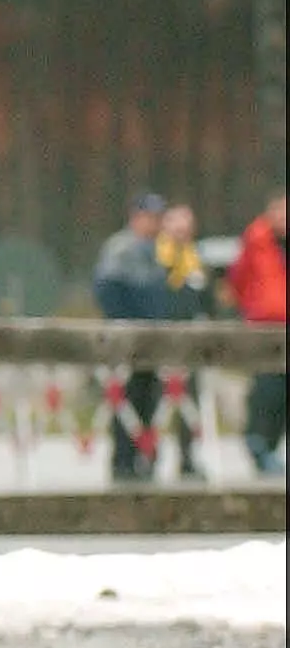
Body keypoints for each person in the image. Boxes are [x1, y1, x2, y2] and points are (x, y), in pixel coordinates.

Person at [91, 192, 172, 483]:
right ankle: (124, 460)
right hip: (127, 340)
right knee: (126, 400)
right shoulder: (120, 249)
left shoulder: (161, 250)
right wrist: (125, 327)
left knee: (152, 400)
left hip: (153, 339)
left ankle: (147, 456)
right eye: (150, 217)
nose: (155, 223)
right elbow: (107, 292)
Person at [155, 201, 214, 479]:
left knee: (190, 401)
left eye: (186, 225)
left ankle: (189, 458)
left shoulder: (196, 257)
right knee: (157, 400)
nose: (181, 230)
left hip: (191, 342)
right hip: (161, 339)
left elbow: (207, 298)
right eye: (176, 224)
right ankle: (148, 456)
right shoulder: (156, 257)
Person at [234, 187, 287, 477]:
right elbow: (239, 280)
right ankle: (259, 443)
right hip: (266, 327)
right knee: (267, 389)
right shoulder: (257, 241)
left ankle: (273, 448)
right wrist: (254, 309)